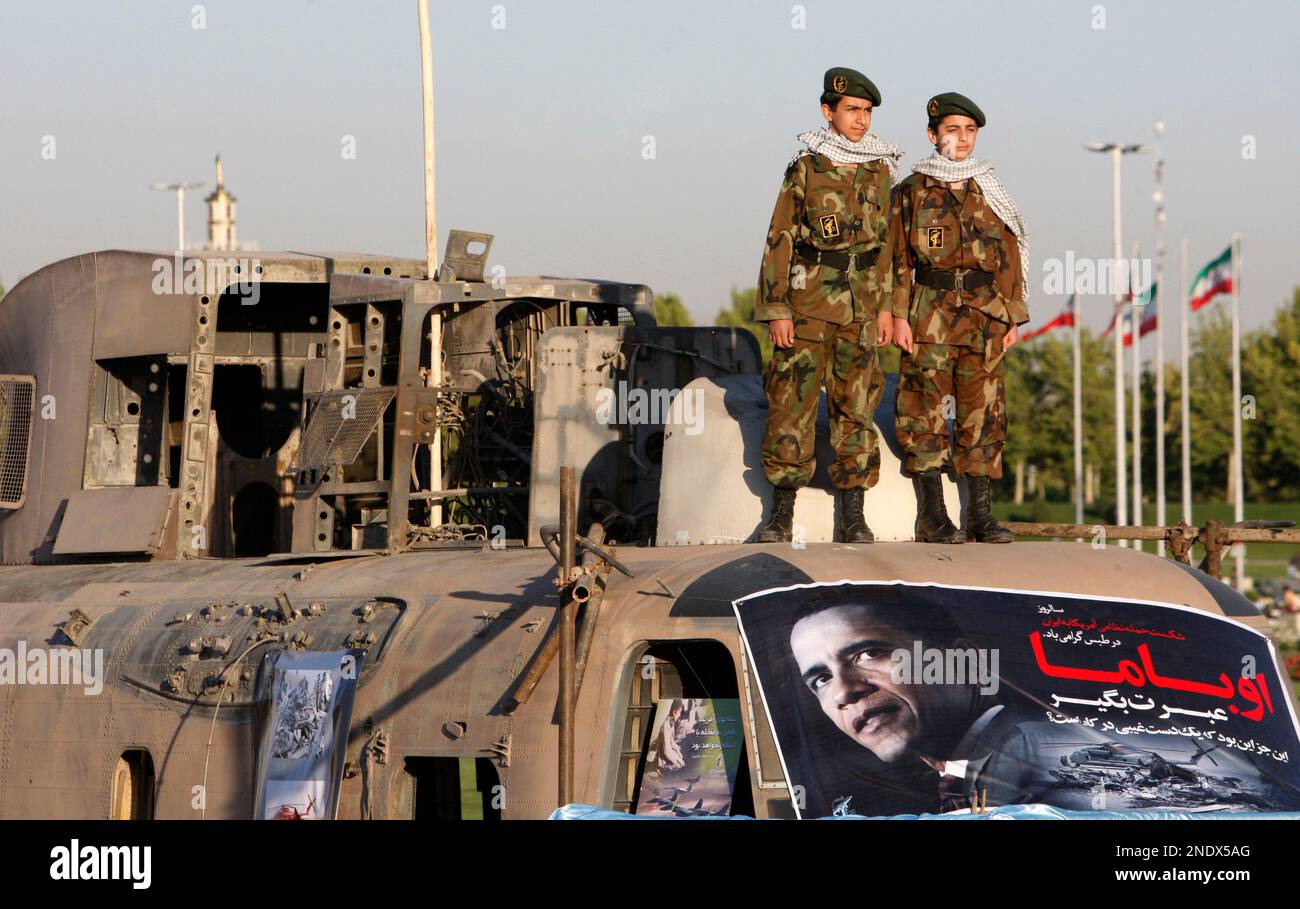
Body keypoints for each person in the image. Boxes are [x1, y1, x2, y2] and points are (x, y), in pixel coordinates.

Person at [751, 67, 901, 545]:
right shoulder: (806, 168)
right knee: (789, 406)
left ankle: (853, 515)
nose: (861, 120)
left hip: (860, 312)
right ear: (828, 112)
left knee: (856, 408)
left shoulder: (880, 171)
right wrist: (776, 308)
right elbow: (780, 239)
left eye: (867, 112)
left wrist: (884, 308)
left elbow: (885, 249)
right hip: (808, 303)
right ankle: (780, 514)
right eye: (852, 110)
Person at [888, 92, 1029, 544]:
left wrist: (1011, 317)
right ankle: (932, 516)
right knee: (922, 412)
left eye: (970, 130)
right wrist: (895, 316)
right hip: (928, 312)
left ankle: (980, 517)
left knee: (984, 414)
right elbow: (894, 260)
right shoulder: (911, 191)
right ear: (933, 136)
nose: (962, 139)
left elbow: (1010, 256)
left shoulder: (990, 189)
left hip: (985, 315)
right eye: (953, 129)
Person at [788, 597, 1059, 811]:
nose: (843, 692)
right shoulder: (946, 786)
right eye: (822, 679)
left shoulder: (1053, 761)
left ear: (966, 662)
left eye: (870, 654)